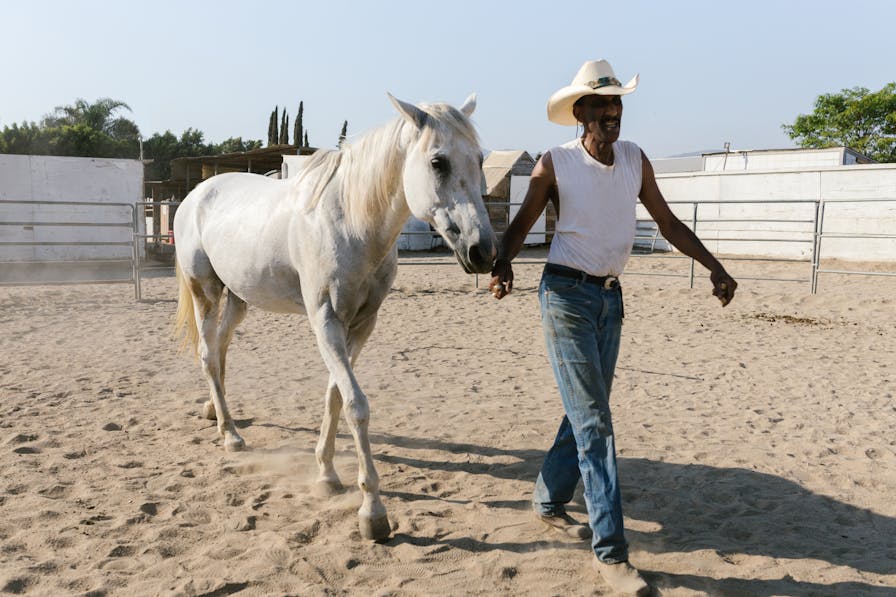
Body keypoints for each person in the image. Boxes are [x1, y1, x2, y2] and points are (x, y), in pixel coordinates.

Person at [490, 59, 737, 596]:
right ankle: (611, 555)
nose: (610, 115)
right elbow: (524, 221)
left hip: (609, 300)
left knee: (586, 412)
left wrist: (714, 265)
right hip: (564, 297)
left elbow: (667, 223)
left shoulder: (634, 160)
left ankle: (548, 500)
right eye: (600, 107)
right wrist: (503, 263)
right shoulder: (554, 163)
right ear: (579, 114)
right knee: (596, 422)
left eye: (616, 105)